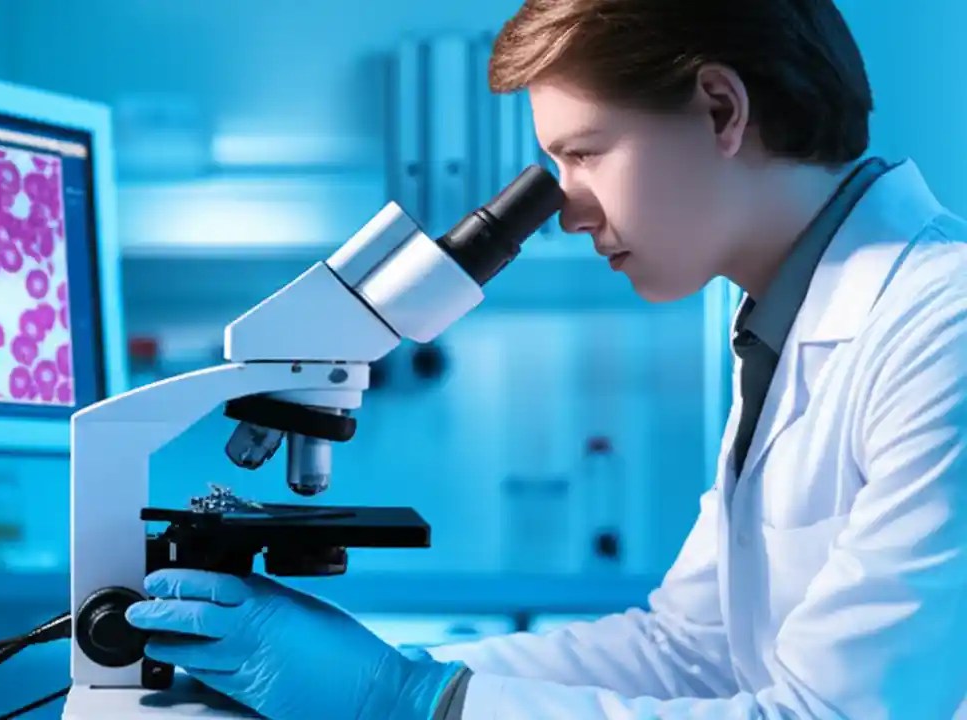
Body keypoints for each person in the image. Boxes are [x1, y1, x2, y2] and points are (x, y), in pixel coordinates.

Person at [124, 0, 967, 717]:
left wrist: (406, 699)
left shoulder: (944, 327)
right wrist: (398, 673)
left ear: (719, 109)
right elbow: (687, 651)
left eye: (585, 152)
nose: (564, 208)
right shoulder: (778, 327)